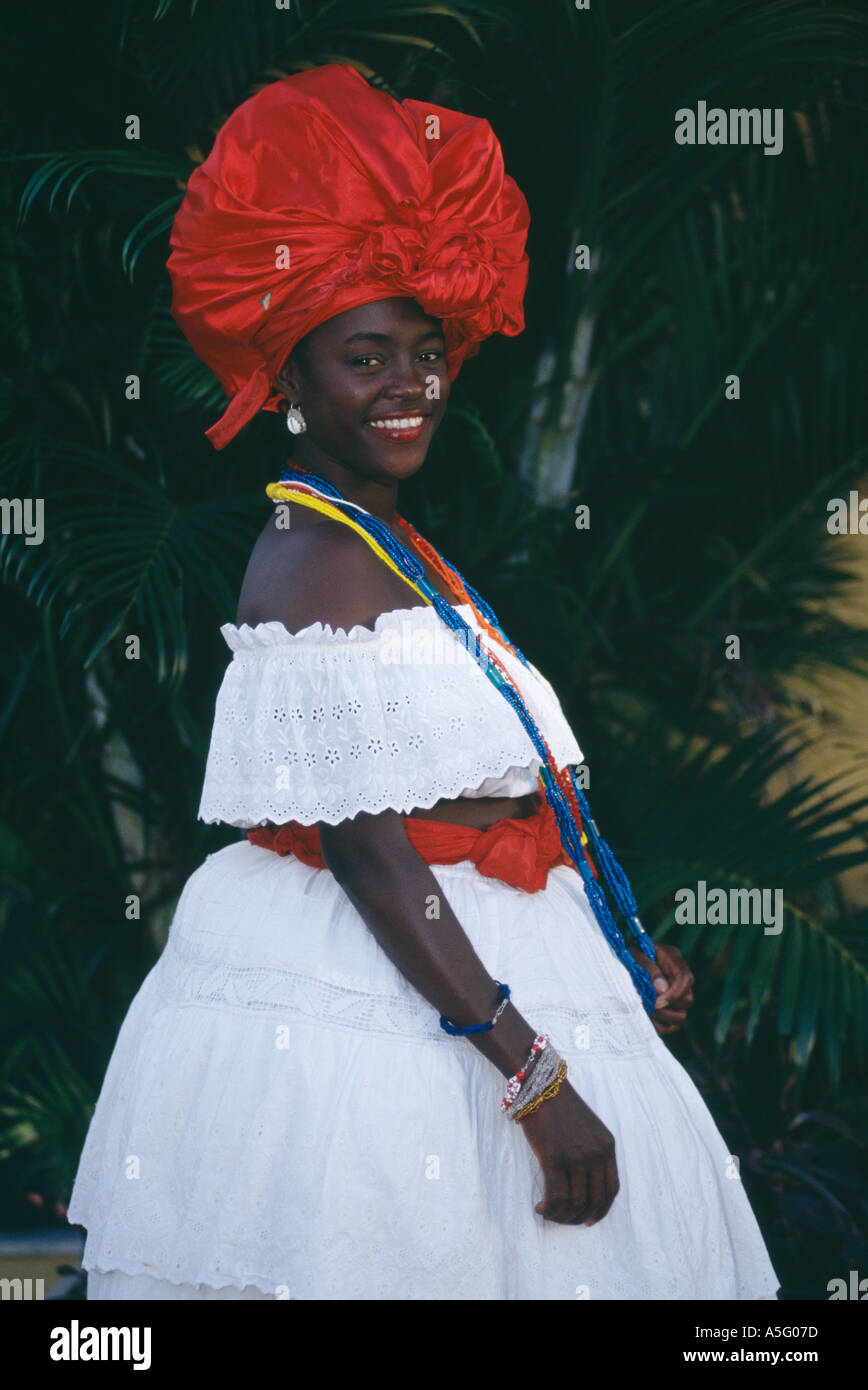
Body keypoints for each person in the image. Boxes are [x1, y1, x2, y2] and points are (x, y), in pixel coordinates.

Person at [67, 63, 780, 1300]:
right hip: (398, 1002)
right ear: (287, 383)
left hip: (489, 954)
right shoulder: (312, 562)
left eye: (425, 349)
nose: (409, 382)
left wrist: (614, 944)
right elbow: (370, 851)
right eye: (363, 357)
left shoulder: (387, 542)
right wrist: (536, 1077)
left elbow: (488, 786)